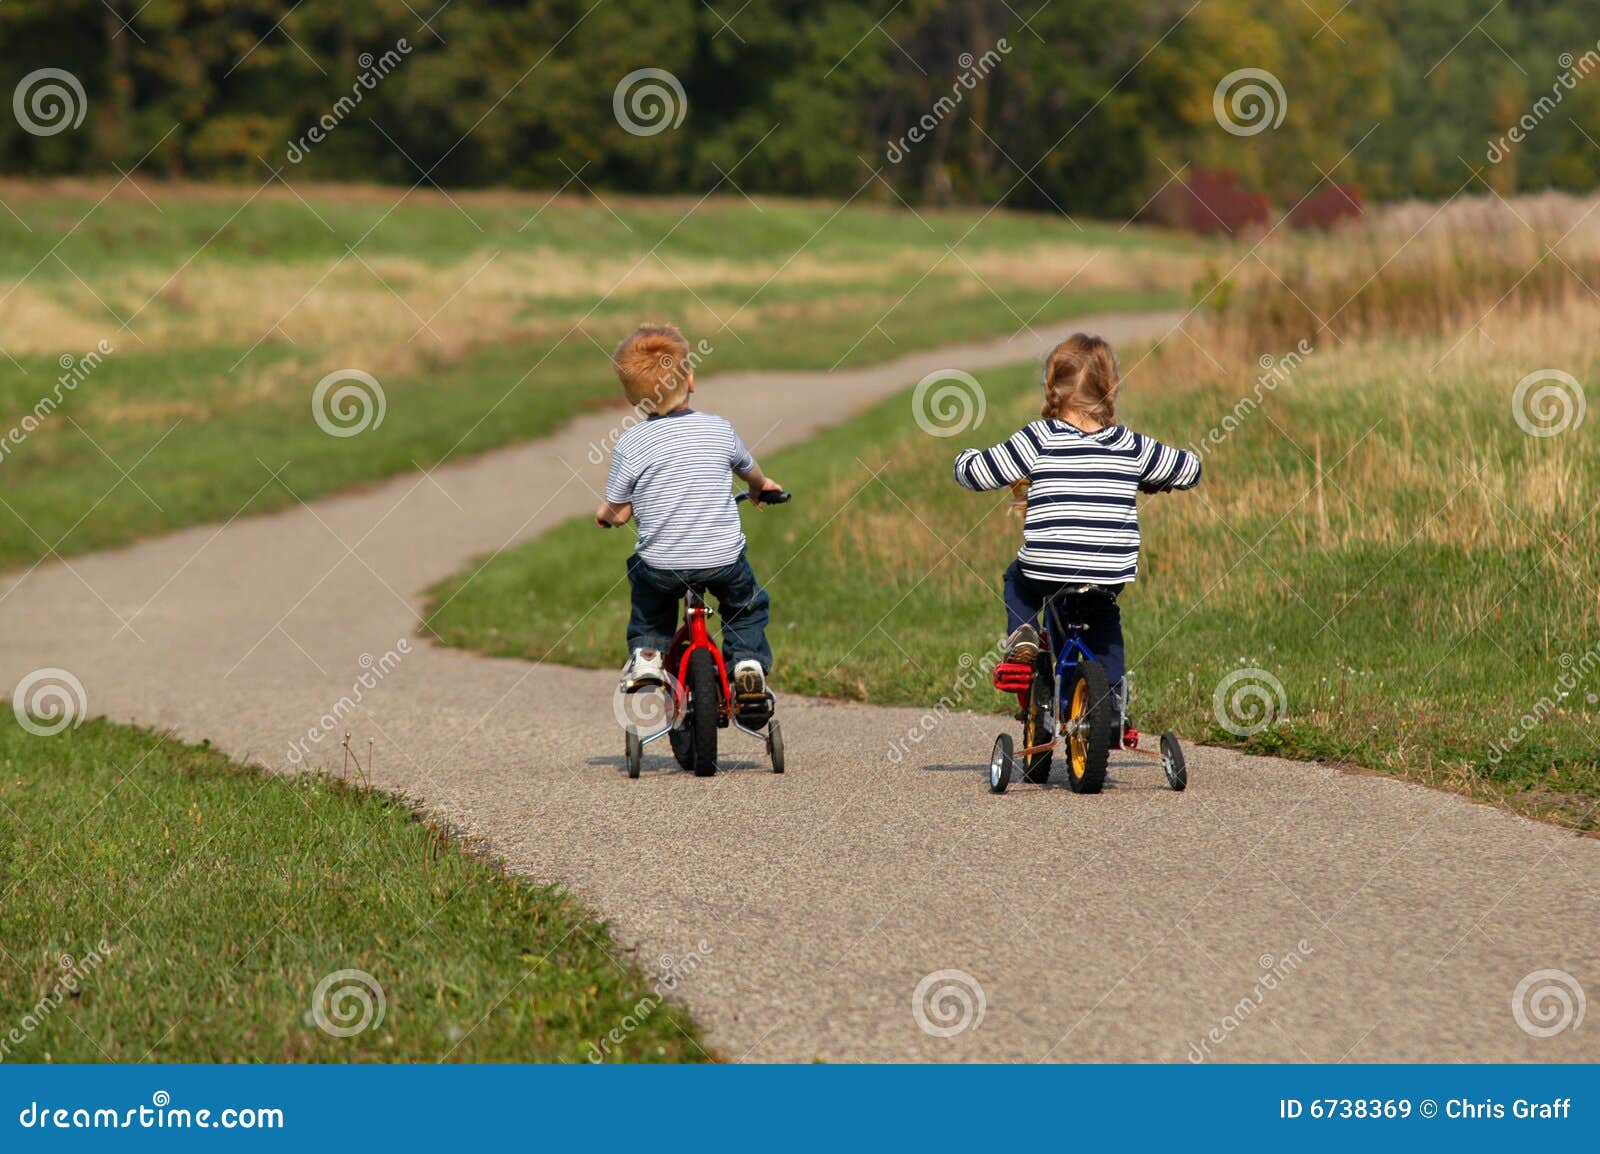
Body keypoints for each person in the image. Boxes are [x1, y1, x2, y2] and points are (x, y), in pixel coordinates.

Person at [953, 333, 1201, 739]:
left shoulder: (1038, 439)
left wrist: (963, 460)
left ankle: (1023, 634)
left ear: (1051, 388)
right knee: (1105, 626)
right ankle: (1114, 704)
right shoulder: (1131, 446)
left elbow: (980, 473)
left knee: (1018, 579)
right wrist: (1156, 479)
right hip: (1108, 569)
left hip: (1047, 566)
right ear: (1112, 388)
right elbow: (1189, 469)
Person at [594, 323, 783, 704]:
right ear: (691, 381)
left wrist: (610, 515)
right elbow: (751, 473)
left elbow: (616, 508)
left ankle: (647, 655)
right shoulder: (719, 429)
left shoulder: (630, 444)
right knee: (745, 606)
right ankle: (747, 664)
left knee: (649, 595)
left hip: (664, 566)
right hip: (722, 559)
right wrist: (760, 487)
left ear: (631, 398)